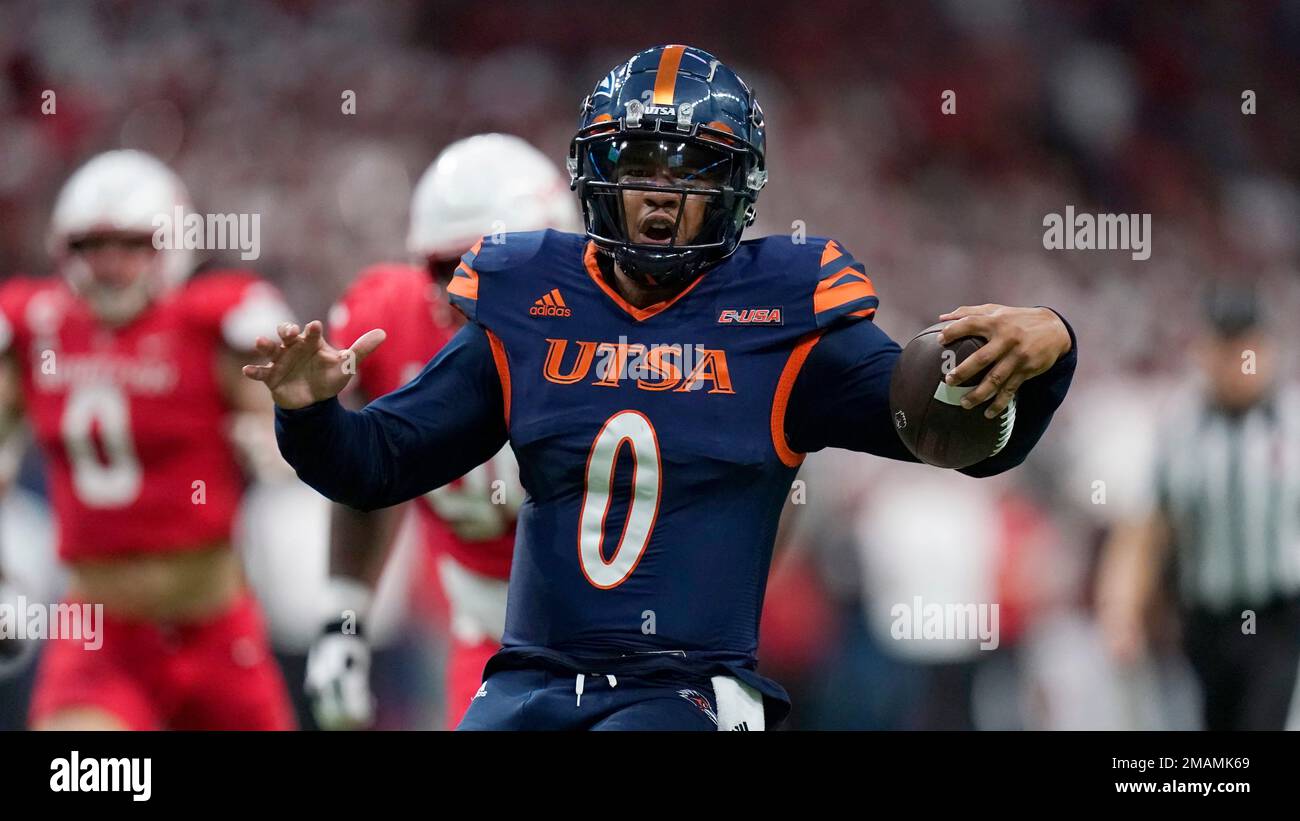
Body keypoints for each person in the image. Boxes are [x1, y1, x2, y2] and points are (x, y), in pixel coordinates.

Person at [249, 45, 1077, 730]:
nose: (661, 193)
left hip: (688, 689)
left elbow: (947, 437)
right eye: (638, 162)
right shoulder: (532, 297)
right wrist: (307, 410)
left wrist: (1046, 352)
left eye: (692, 168)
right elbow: (376, 464)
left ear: (738, 187)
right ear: (593, 172)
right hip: (530, 680)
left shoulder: (784, 313)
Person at [0, 149, 296, 730]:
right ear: (66, 250)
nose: (109, 264)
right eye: (93, 247)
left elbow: (277, 422)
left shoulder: (209, 323)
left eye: (130, 246)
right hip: (101, 635)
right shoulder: (36, 327)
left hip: (216, 629)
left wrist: (276, 432)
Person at [305, 133, 580, 730]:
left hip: (639, 638)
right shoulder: (389, 323)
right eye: (448, 266)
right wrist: (343, 622)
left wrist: (718, 629)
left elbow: (763, 470)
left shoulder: (623, 329)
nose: (468, 286)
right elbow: (370, 474)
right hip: (491, 638)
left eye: (492, 258)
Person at [1097, 283, 1300, 730]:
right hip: (1205, 621)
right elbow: (1146, 528)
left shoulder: (1292, 423)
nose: (1236, 362)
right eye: (1224, 346)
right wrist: (1121, 608)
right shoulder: (1180, 430)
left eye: (1244, 346)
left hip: (1277, 617)